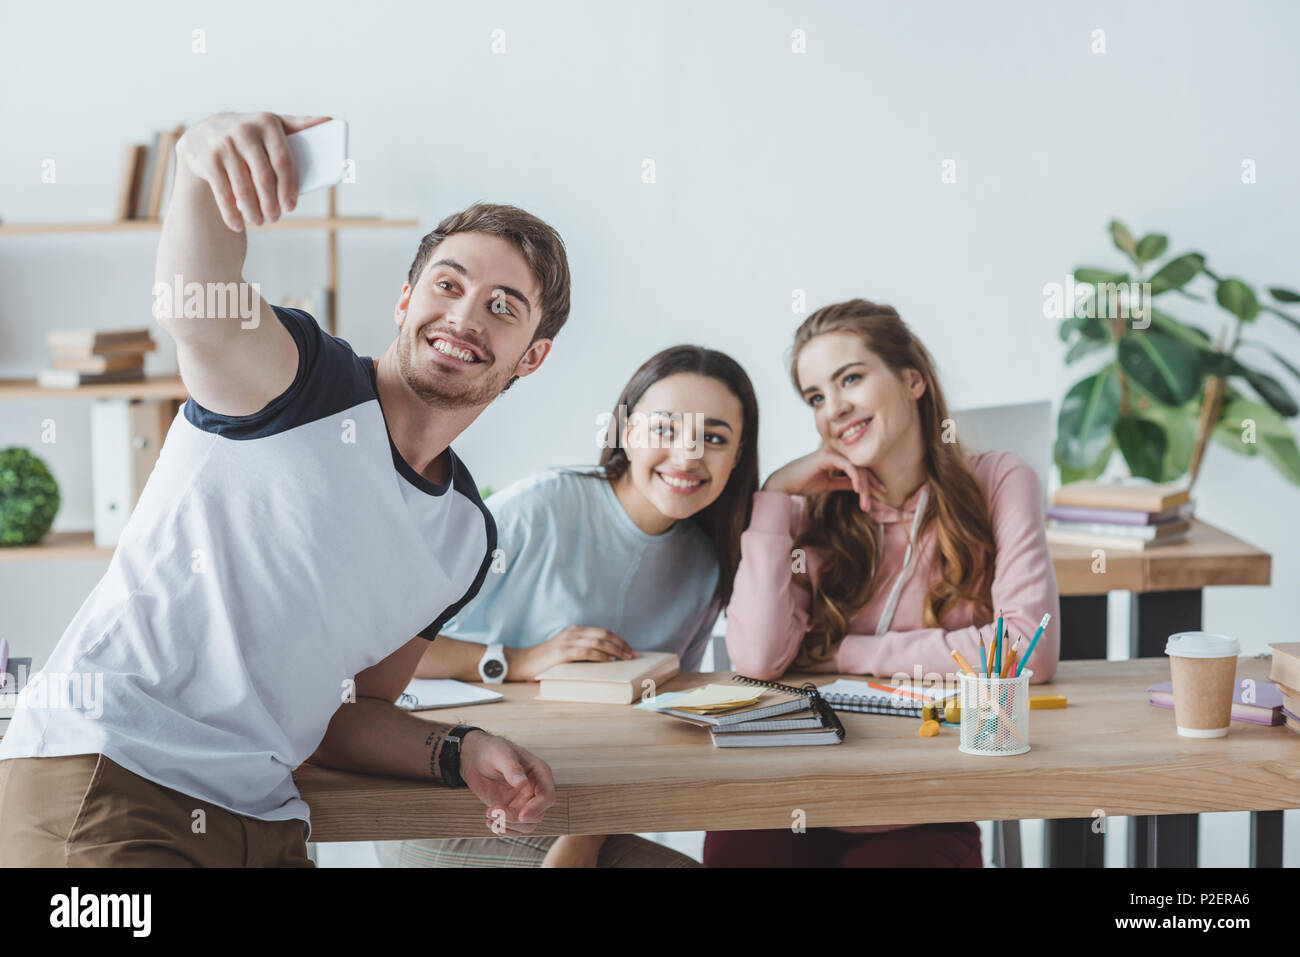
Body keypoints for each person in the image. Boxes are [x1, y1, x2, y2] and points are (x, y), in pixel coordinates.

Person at [0, 110, 564, 866]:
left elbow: (348, 713)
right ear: (405, 302)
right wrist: (201, 163)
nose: (464, 316)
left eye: (503, 306)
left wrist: (458, 747)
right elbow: (195, 303)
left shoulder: (464, 534)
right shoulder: (302, 377)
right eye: (448, 284)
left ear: (530, 357)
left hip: (262, 821)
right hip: (107, 779)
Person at [707, 298, 1060, 868]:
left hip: (922, 808)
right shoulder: (809, 506)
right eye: (816, 397)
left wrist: (848, 651)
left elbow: (1025, 649)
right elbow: (758, 660)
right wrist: (774, 496)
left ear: (912, 379)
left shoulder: (998, 480)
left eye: (851, 378)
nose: (834, 409)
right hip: (779, 802)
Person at [376, 345, 760, 867]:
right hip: (452, 790)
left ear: (737, 456)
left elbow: (655, 730)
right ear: (626, 431)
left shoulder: (705, 564)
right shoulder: (542, 509)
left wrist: (586, 838)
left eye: (713, 438)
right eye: (664, 429)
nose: (688, 456)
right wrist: (517, 659)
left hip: (579, 806)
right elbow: (383, 643)